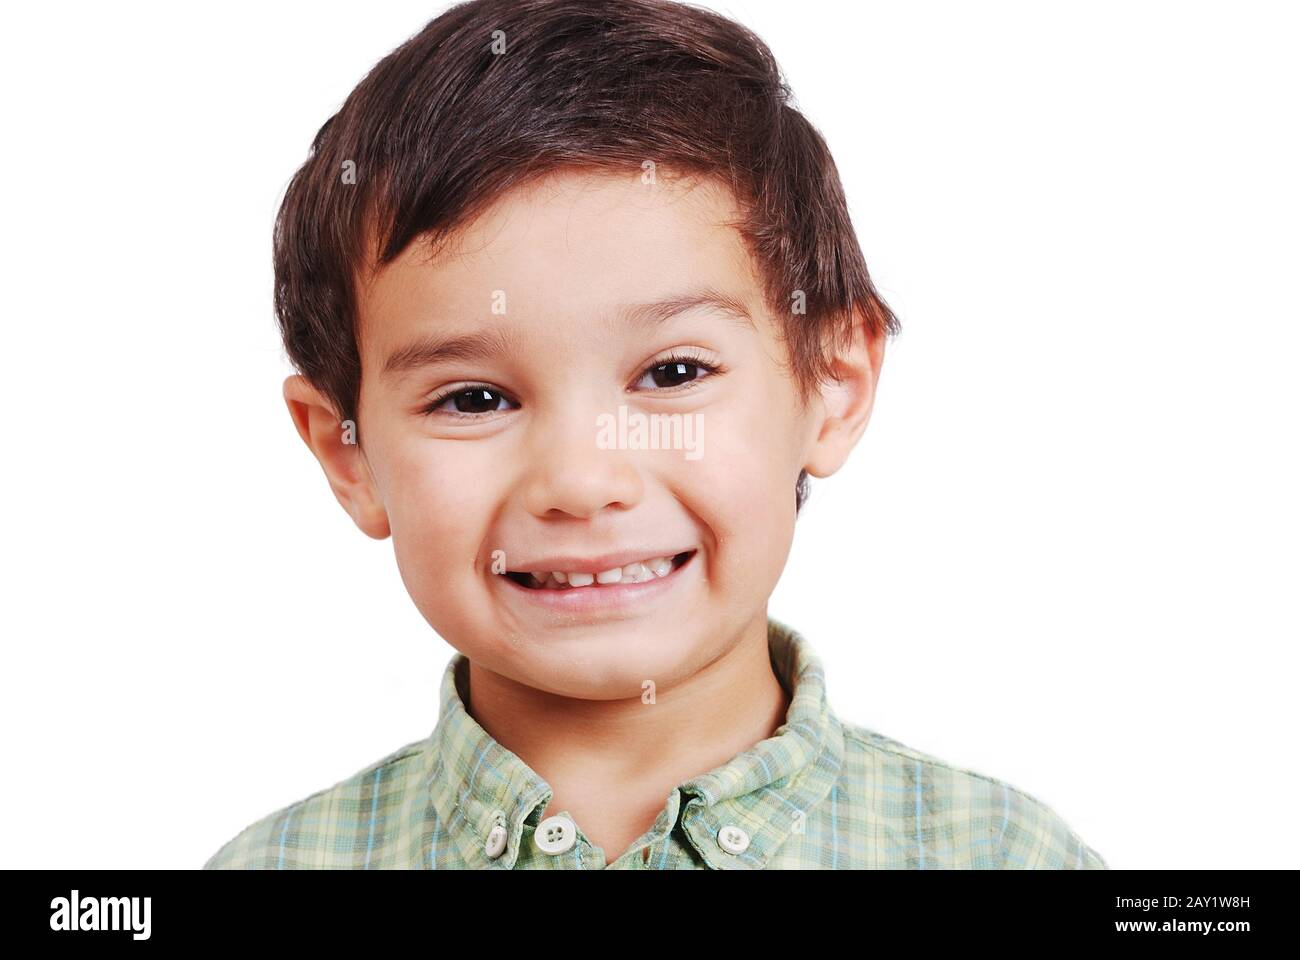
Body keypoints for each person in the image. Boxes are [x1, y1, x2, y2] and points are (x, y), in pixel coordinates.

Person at [205, 0, 1106, 869]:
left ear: (833, 383)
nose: (581, 478)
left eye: (673, 375)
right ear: (347, 450)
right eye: (473, 400)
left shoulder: (999, 857)